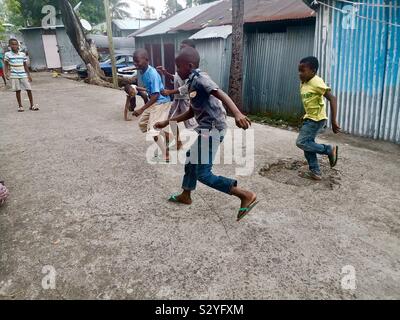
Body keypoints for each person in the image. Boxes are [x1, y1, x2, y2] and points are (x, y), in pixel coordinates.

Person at [154, 47, 258, 222]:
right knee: (190, 157)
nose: (177, 71)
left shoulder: (201, 79)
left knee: (203, 173)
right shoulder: (191, 82)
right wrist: (167, 122)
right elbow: (191, 111)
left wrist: (238, 114)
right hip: (206, 129)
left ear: (189, 65)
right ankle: (186, 194)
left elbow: (221, 93)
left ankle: (245, 195)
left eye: (178, 67)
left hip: (213, 129)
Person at [296, 56, 340, 180]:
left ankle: (328, 150)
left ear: (313, 71)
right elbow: (309, 101)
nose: (300, 74)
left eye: (302, 71)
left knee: (301, 142)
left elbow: (333, 98)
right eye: (299, 70)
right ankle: (315, 171)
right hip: (310, 117)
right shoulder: (303, 82)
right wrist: (305, 114)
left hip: (317, 119)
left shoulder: (317, 81)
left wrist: (333, 120)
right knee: (308, 144)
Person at [157, 39, 198, 150]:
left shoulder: (191, 68)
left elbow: (186, 87)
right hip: (177, 100)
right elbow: (177, 78)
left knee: (193, 124)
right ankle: (179, 142)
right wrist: (166, 73)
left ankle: (207, 138)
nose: (180, 50)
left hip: (183, 100)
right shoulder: (182, 64)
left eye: (183, 47)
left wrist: (170, 92)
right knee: (172, 121)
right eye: (180, 48)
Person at [132, 49, 172, 162]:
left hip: (161, 102)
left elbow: (155, 95)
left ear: (146, 60)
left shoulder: (152, 73)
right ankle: (168, 135)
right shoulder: (143, 72)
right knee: (142, 124)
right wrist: (138, 88)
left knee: (152, 130)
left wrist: (141, 109)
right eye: (134, 61)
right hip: (154, 101)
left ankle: (166, 154)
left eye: (137, 61)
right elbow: (151, 90)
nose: (135, 64)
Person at [4, 38, 39, 112]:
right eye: (12, 44)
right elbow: (6, 65)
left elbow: (25, 65)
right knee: (18, 90)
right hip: (14, 75)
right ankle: (20, 106)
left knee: (29, 89)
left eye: (15, 44)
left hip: (23, 74)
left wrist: (29, 75)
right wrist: (6, 73)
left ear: (18, 45)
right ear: (9, 45)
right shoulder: (7, 54)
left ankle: (32, 105)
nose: (14, 46)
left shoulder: (22, 54)